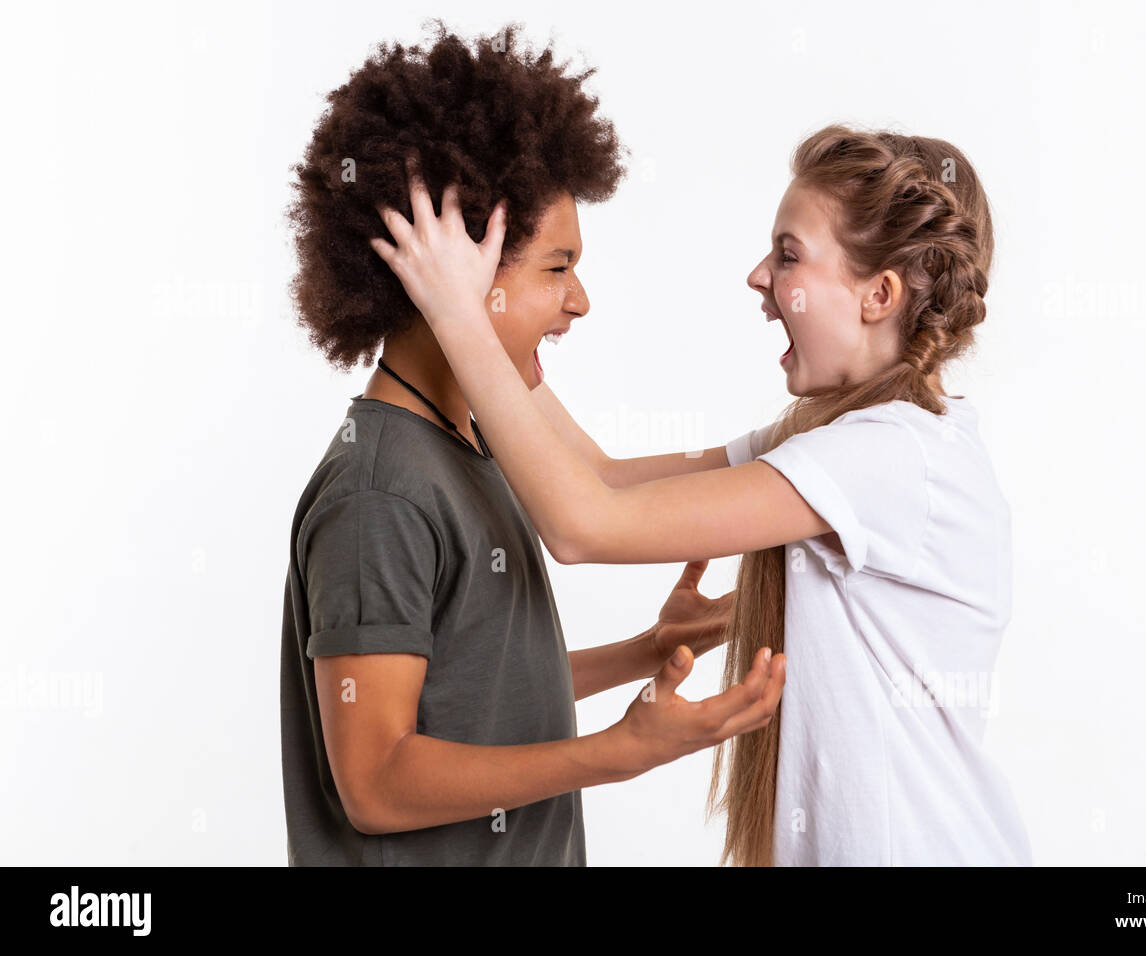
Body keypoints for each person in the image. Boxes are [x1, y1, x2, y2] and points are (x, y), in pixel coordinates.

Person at [370, 123, 1034, 866]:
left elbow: (582, 526)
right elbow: (602, 476)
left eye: (788, 255)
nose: (758, 276)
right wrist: (501, 334)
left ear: (879, 294)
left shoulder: (889, 456)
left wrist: (459, 317)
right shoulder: (833, 443)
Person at [280, 22, 784, 867]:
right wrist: (614, 755)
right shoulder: (382, 492)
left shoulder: (470, 444)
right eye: (557, 268)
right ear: (456, 271)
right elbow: (374, 782)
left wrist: (642, 654)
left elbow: (473, 695)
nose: (580, 301)